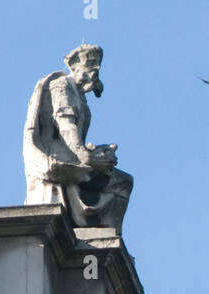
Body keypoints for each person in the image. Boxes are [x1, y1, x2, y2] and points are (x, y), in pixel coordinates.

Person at [23, 44, 133, 231]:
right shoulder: (61, 86)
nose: (95, 70)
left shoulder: (81, 98)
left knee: (123, 181)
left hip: (75, 156)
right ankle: (96, 232)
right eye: (90, 63)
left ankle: (105, 236)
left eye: (97, 65)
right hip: (60, 161)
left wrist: (98, 152)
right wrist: (87, 157)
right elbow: (66, 127)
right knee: (120, 183)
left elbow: (77, 138)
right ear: (74, 66)